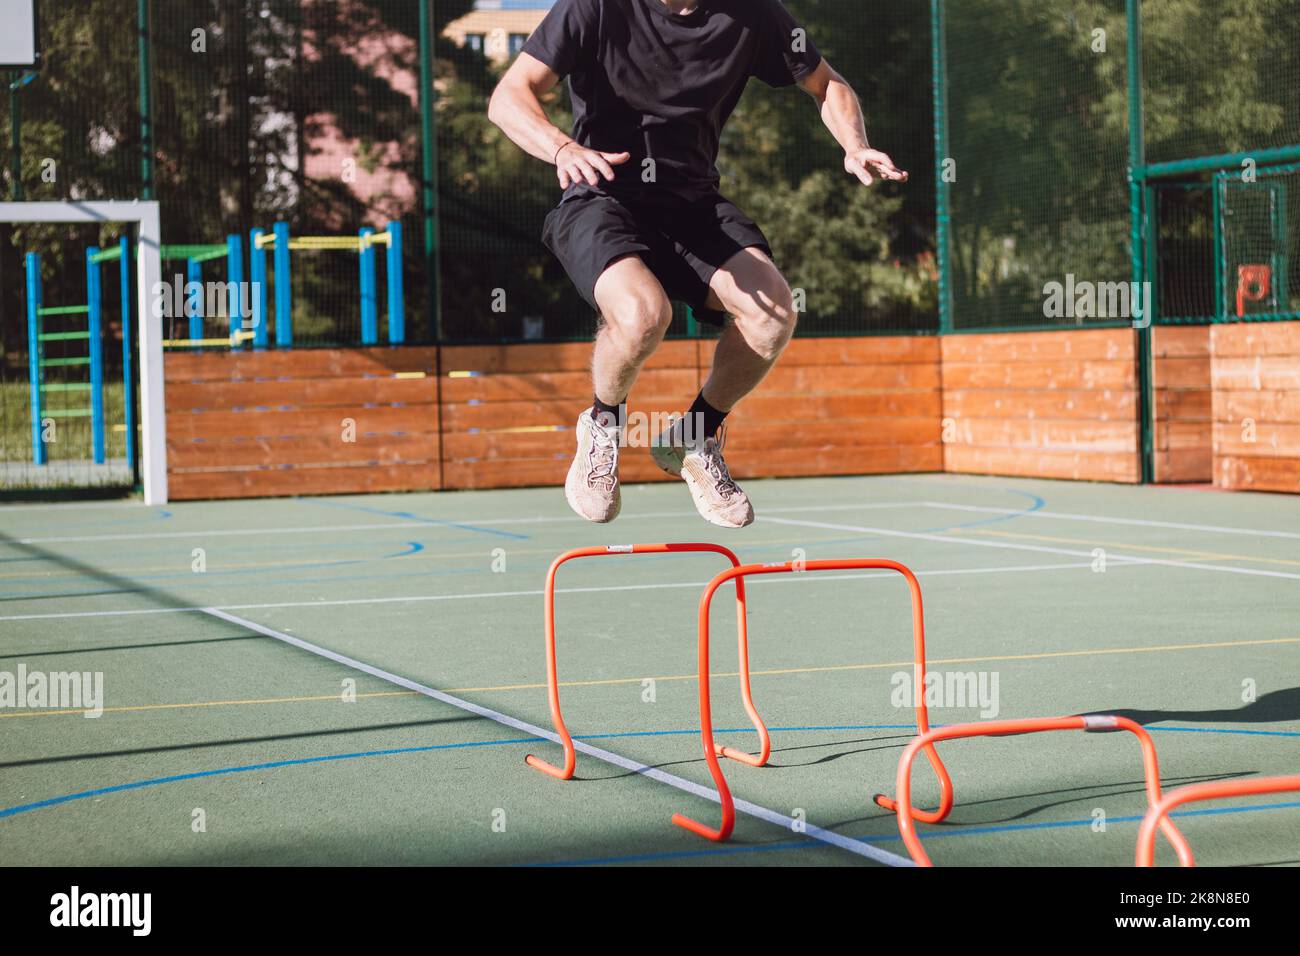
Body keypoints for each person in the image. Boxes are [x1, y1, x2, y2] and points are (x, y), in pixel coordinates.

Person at [488, 0, 906, 527]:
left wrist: (854, 145)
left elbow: (827, 84)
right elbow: (508, 97)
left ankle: (693, 437)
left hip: (692, 204)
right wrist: (561, 148)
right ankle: (601, 425)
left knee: (772, 314)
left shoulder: (752, 15)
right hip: (602, 195)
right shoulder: (595, 7)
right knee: (643, 317)